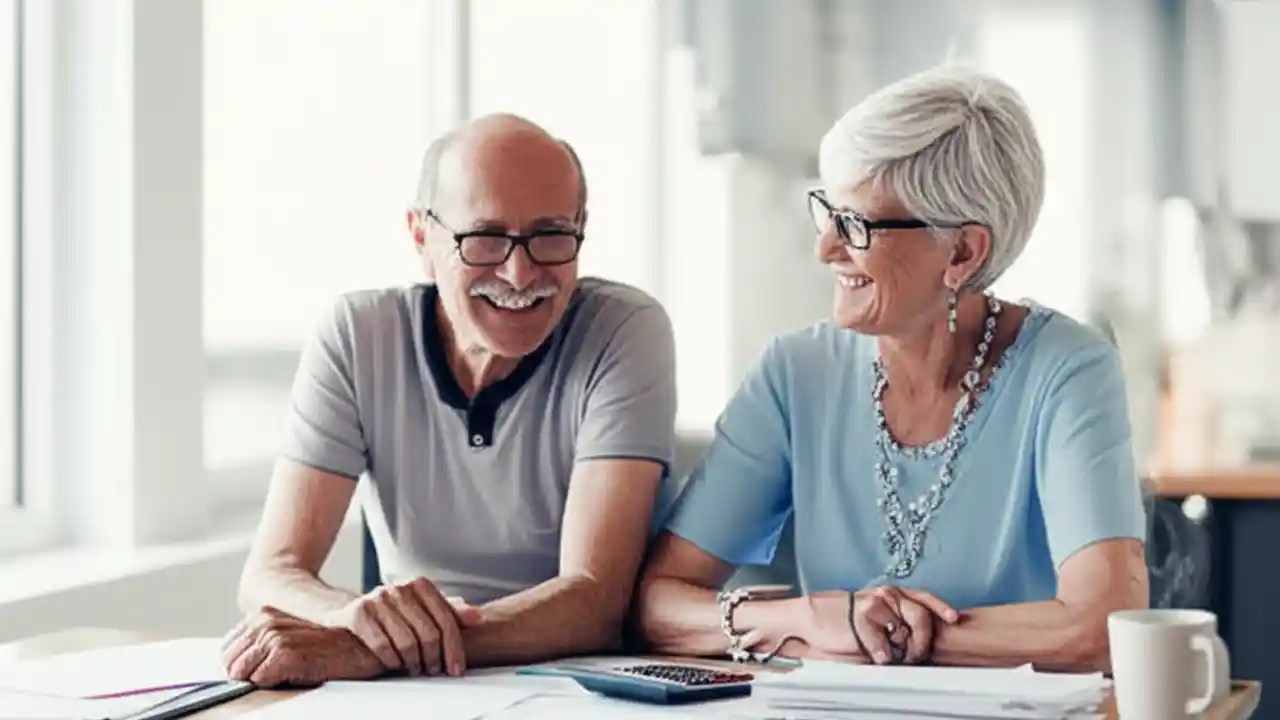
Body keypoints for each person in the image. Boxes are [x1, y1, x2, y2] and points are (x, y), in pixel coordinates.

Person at [636, 66, 1148, 672]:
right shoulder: (793, 374)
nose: (825, 247)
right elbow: (657, 607)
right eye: (828, 211)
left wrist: (879, 637)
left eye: (856, 224)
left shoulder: (1068, 370)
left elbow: (1103, 626)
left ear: (961, 251)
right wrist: (808, 619)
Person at [221, 114, 676, 687]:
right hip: (422, 693)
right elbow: (270, 572)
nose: (519, 272)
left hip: (579, 685)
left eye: (551, 235)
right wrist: (350, 617)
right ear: (421, 237)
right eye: (484, 238)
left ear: (582, 228)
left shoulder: (624, 330)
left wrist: (372, 652)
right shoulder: (357, 335)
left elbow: (594, 599)